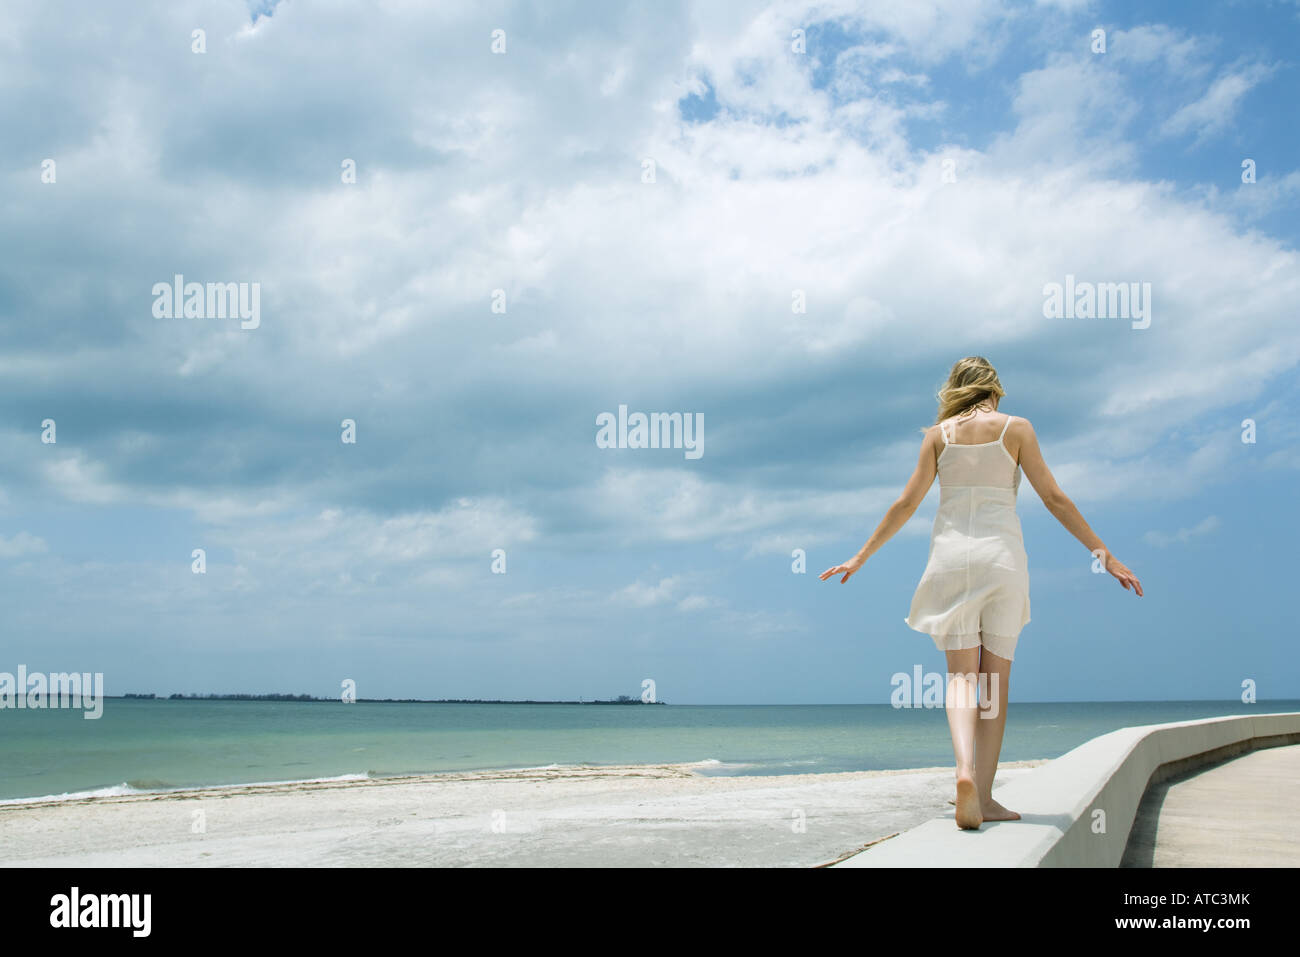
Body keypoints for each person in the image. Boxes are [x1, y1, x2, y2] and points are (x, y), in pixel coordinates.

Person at [819, 356, 1142, 829]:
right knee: (995, 682)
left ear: (954, 389)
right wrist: (1104, 555)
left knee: (960, 680)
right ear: (995, 389)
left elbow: (905, 502)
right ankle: (986, 795)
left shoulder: (938, 436)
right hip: (1002, 560)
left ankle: (964, 772)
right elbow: (1054, 497)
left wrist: (860, 556)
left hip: (950, 561)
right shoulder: (1017, 429)